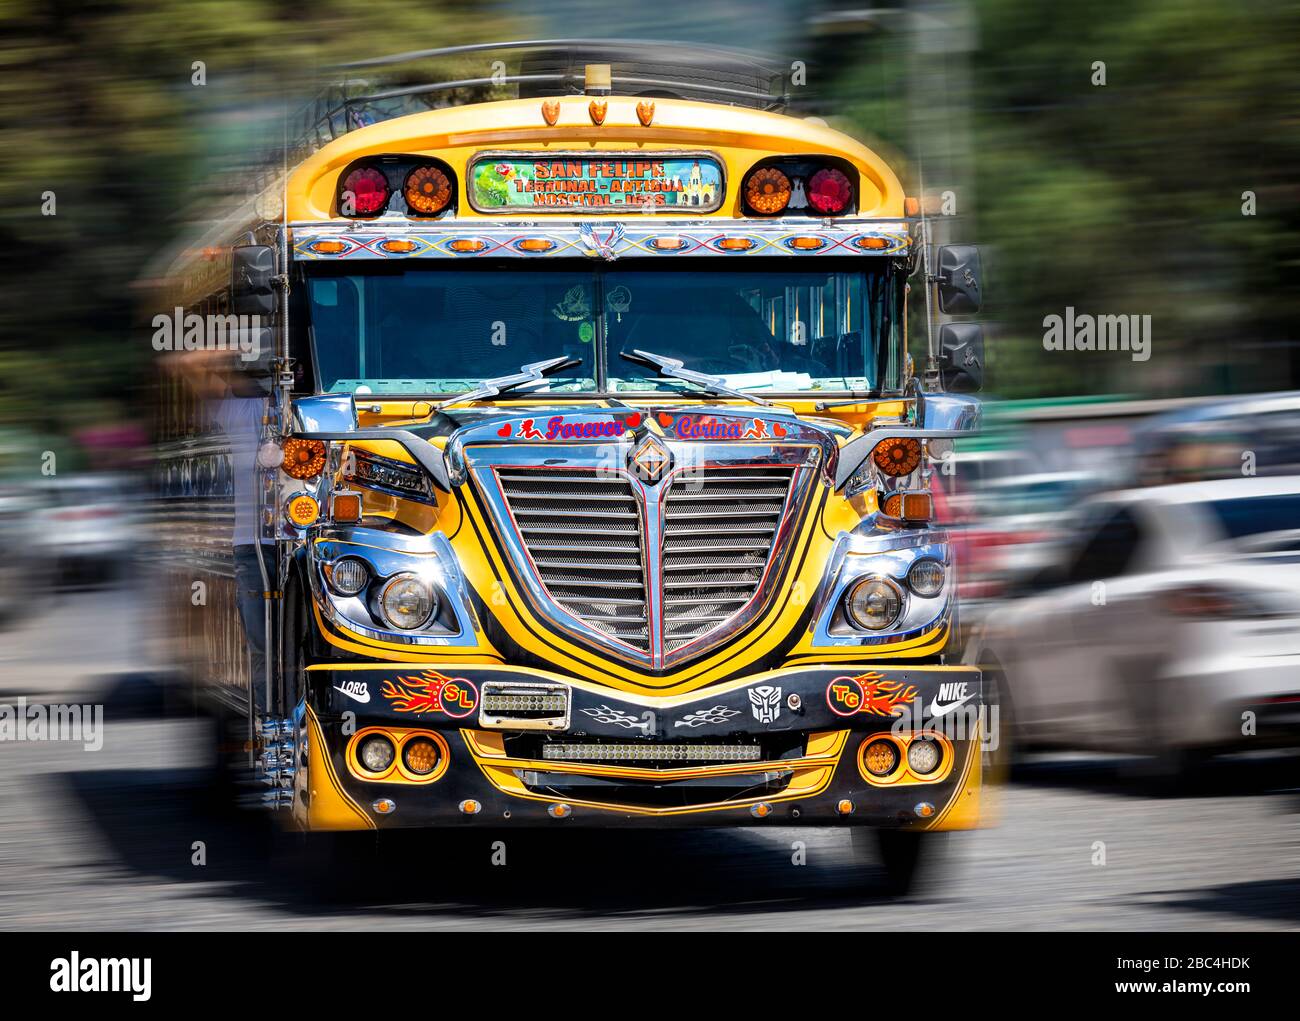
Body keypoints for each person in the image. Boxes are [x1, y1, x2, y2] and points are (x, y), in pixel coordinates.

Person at [169, 350, 273, 712]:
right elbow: (184, 363)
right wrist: (240, 353)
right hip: (252, 545)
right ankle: (269, 728)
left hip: (307, 544)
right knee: (262, 646)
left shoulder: (314, 409)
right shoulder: (238, 410)